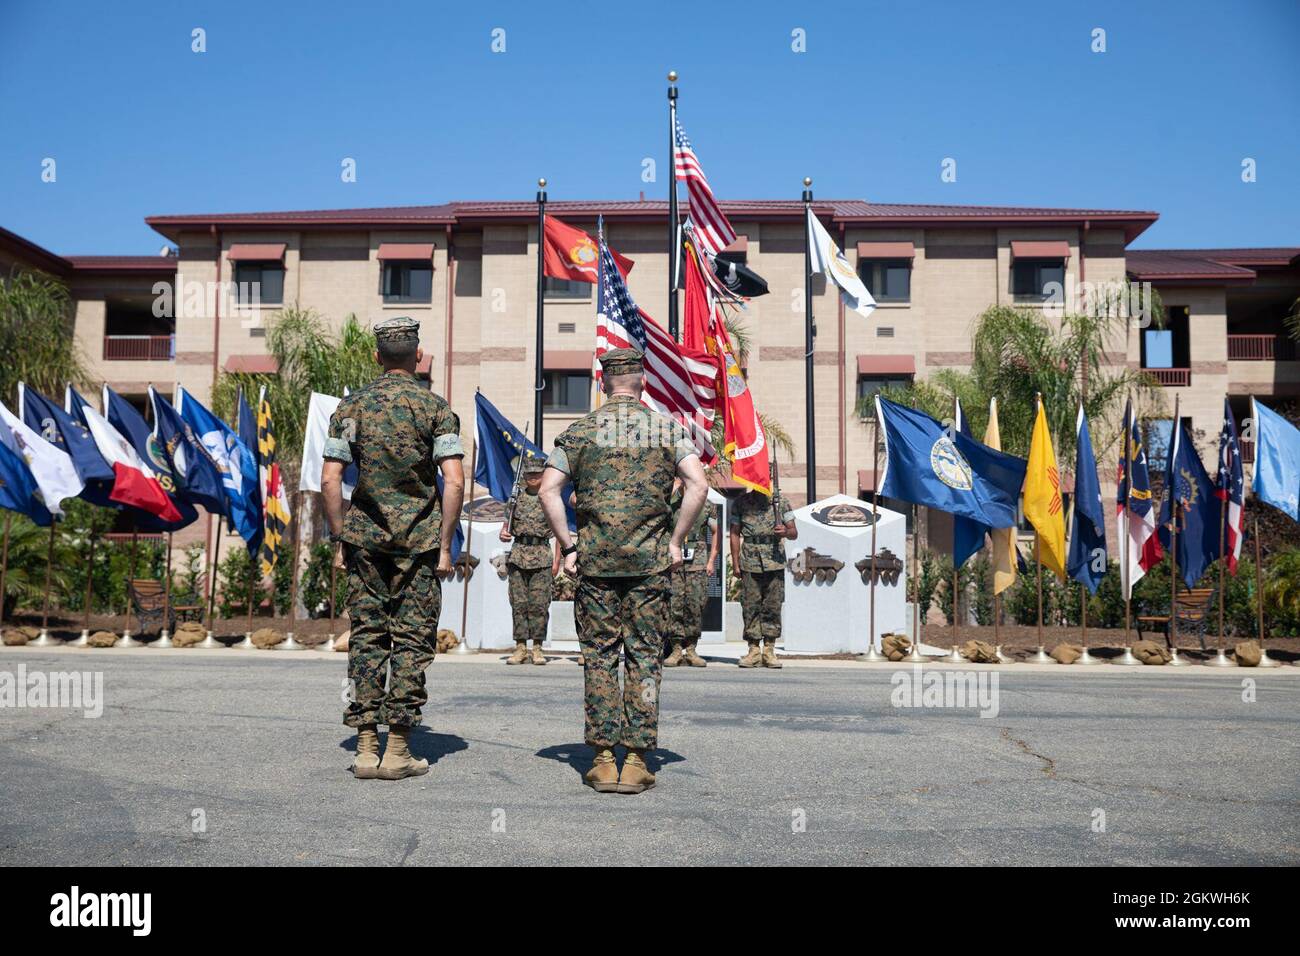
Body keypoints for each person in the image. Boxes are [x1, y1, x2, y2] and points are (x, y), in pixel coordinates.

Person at [538, 348, 708, 795]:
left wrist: (569, 544)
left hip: (595, 565)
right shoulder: (666, 429)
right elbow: (699, 484)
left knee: (599, 657)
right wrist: (674, 541)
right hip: (651, 566)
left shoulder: (579, 431)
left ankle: (600, 759)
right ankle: (635, 760)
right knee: (644, 657)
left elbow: (548, 491)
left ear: (603, 384)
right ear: (642, 384)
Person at [321, 316, 465, 781]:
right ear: (418, 356)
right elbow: (455, 480)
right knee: (411, 640)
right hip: (420, 546)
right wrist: (445, 546)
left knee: (366, 636)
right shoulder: (437, 409)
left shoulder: (350, 409)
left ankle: (365, 746)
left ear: (377, 356)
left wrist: (341, 538)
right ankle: (398, 749)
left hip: (364, 542)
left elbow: (330, 479)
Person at [729, 486, 797, 668]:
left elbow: (793, 533)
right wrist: (735, 563)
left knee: (772, 605)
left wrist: (784, 532)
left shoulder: (780, 502)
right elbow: (734, 533)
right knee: (750, 605)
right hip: (750, 560)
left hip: (774, 560)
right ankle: (753, 650)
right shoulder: (740, 503)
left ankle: (769, 650)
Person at [500, 454, 558, 665]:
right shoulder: (515, 499)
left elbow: (559, 531)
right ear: (524, 476)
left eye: (536, 474)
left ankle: (537, 647)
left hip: (541, 555)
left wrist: (557, 560)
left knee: (540, 604)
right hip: (519, 555)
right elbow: (506, 526)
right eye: (529, 474)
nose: (532, 478)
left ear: (543, 475)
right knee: (519, 603)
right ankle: (520, 647)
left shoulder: (548, 497)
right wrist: (504, 533)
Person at [664, 478, 719, 668]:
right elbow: (659, 515)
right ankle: (676, 648)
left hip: (698, 557)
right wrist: (673, 489)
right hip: (674, 558)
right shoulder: (670, 504)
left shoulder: (707, 505)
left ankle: (692, 649)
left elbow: (715, 531)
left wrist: (712, 559)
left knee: (695, 603)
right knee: (674, 602)